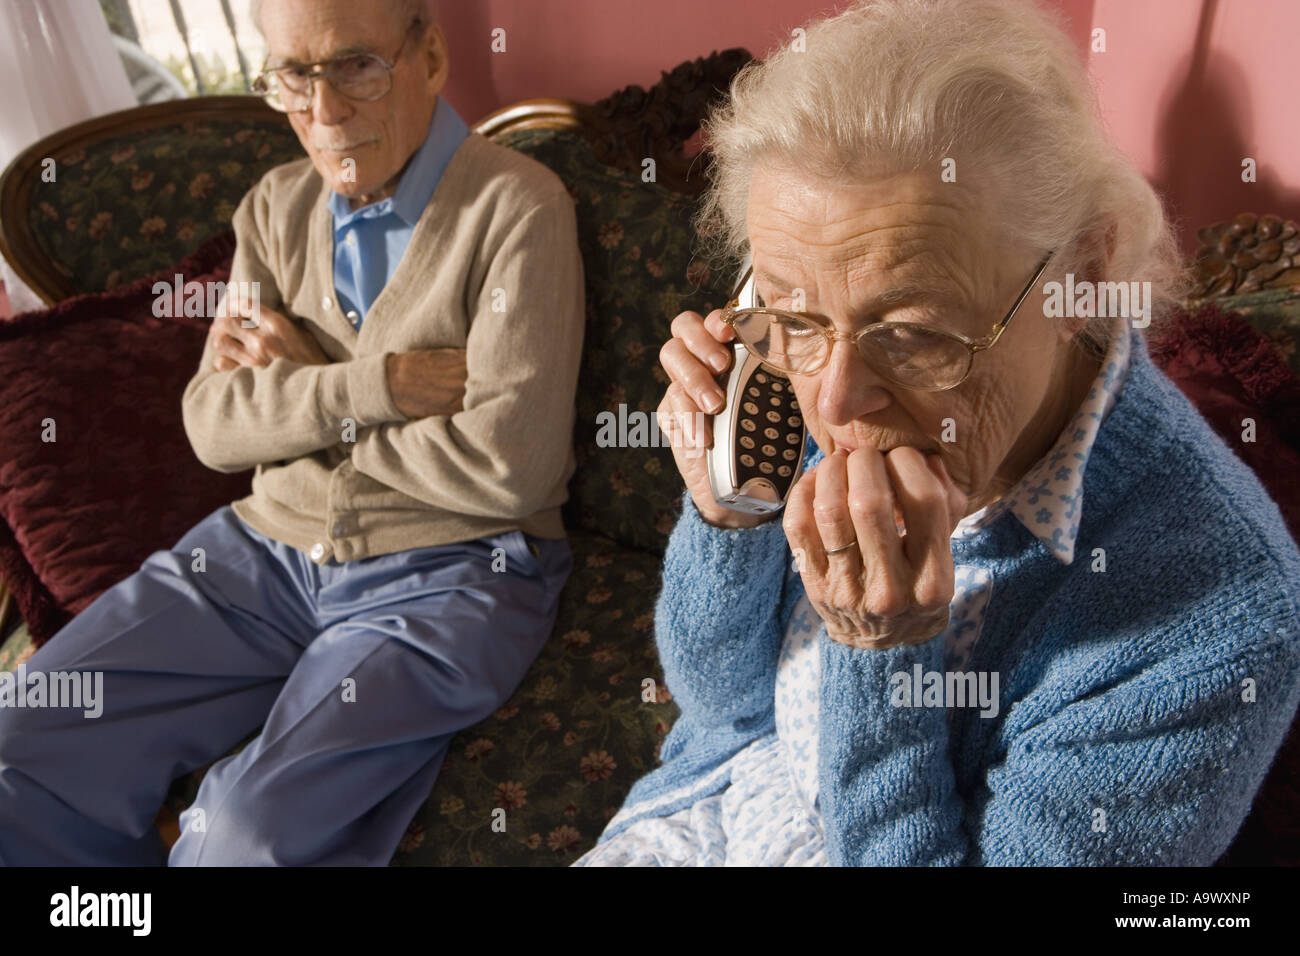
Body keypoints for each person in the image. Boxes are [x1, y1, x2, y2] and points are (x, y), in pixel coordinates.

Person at [576, 0, 1300, 866]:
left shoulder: (1221, 620)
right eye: (795, 316)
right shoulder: (794, 376)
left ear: (1085, 273)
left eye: (912, 334)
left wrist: (883, 656)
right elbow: (720, 709)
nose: (836, 405)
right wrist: (728, 513)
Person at [0, 0, 584, 865]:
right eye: (292, 76)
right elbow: (213, 424)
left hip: (455, 569)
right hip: (259, 556)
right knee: (21, 740)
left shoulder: (518, 209)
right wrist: (371, 384)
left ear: (428, 55)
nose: (323, 109)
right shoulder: (272, 209)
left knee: (242, 834)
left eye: (355, 66)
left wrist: (298, 398)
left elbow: (511, 471)